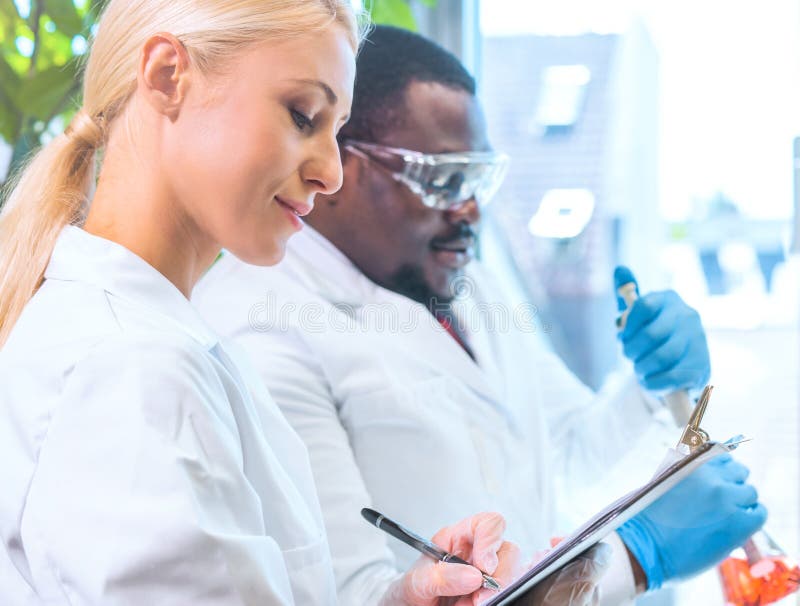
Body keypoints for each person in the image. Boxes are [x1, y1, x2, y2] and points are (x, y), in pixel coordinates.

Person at [0, 5, 569, 604]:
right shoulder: (134, 369)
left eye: (336, 129)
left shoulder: (151, 336)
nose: (331, 174)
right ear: (169, 75)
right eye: (302, 116)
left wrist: (402, 600)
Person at [193, 25, 768, 605]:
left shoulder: (466, 285)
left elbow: (564, 454)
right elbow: (352, 597)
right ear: (337, 164)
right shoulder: (257, 329)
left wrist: (651, 388)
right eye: (442, 179)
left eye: (478, 178)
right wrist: (632, 561)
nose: (469, 209)